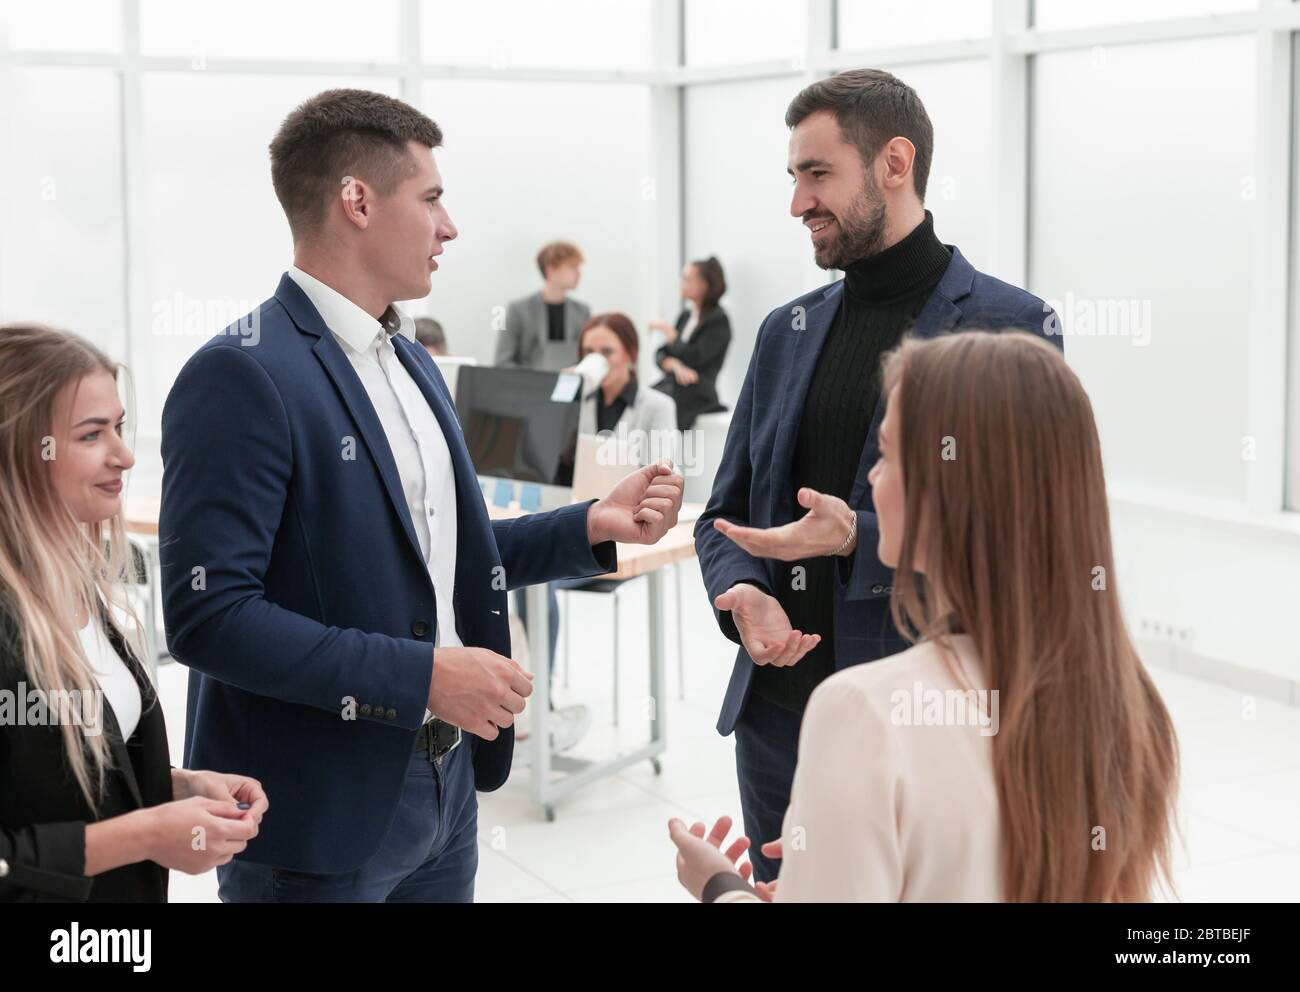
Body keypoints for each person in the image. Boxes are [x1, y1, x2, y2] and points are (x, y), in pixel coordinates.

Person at [158, 88, 683, 903]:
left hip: (448, 792)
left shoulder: (410, 364)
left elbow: (439, 558)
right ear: (357, 201)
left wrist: (589, 525)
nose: (451, 225)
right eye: (432, 198)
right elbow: (209, 618)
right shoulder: (241, 374)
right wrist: (424, 678)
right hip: (320, 815)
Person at [693, 68, 1064, 884]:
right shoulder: (784, 331)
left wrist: (858, 534)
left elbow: (1022, 542)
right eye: (793, 177)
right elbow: (720, 513)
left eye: (817, 174)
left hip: (920, 723)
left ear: (895, 163)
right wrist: (745, 594)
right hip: (776, 723)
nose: (797, 203)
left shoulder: (1010, 327)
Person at [668, 332, 1180, 903]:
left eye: (886, 455)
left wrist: (719, 885)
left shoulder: (864, 712)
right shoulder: (1134, 704)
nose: (871, 481)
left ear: (949, 492)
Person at [0, 323, 267, 903]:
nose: (123, 455)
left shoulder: (68, 585)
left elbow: (60, 786)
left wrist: (173, 788)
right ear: (19, 447)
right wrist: (146, 833)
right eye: (92, 435)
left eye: (119, 428)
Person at [515, 313, 680, 748]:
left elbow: (664, 472)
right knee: (526, 577)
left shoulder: (655, 405)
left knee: (536, 580)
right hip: (578, 529)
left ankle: (539, 702)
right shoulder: (579, 403)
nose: (598, 360)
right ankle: (529, 700)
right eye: (589, 352)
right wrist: (557, 402)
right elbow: (540, 465)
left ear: (630, 354)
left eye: (606, 351)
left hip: (627, 539)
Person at [650, 257, 732, 430]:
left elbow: (696, 357)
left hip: (697, 392)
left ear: (704, 285)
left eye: (687, 279)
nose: (681, 283)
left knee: (656, 408)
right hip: (674, 385)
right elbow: (661, 353)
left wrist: (670, 333)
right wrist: (674, 365)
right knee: (644, 399)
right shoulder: (686, 316)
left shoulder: (718, 320)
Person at [495, 241, 591, 370]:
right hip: (528, 386)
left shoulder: (582, 311)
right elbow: (502, 362)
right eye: (572, 267)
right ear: (551, 269)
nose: (579, 273)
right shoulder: (517, 310)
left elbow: (588, 357)